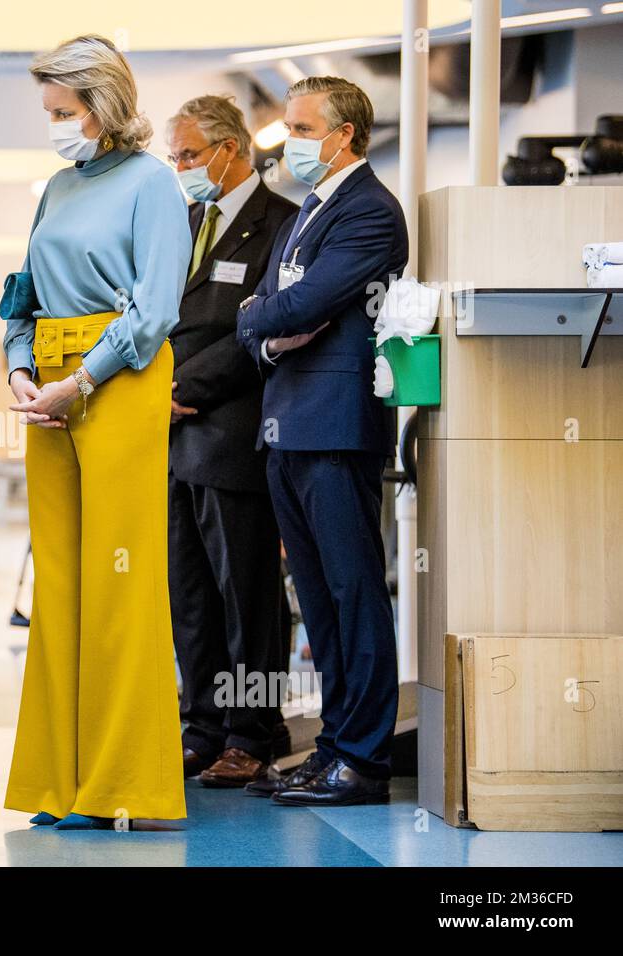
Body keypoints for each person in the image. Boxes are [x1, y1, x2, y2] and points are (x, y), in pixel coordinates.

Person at [1, 35, 191, 829]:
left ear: (104, 106)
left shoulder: (154, 185)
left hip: (116, 384)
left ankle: (119, 785)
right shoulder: (57, 186)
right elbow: (22, 290)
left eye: (63, 111)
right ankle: (58, 780)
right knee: (61, 587)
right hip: (48, 383)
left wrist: (81, 380)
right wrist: (19, 365)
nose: (54, 125)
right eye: (48, 111)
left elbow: (155, 309)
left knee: (120, 585)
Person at [236, 76, 408, 806]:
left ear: (344, 135)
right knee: (317, 599)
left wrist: (261, 317)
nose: (293, 143)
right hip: (287, 422)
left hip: (337, 425)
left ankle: (365, 760)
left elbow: (300, 302)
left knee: (352, 591)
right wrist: (266, 335)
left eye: (304, 129)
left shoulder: (370, 212)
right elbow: (264, 309)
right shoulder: (308, 211)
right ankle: (333, 744)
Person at [164, 95, 297, 787]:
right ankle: (202, 726)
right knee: (188, 595)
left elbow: (261, 328)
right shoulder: (183, 221)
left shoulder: (282, 224)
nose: (181, 167)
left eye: (189, 154)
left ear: (231, 149)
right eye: (175, 156)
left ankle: (252, 733)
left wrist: (185, 390)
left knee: (246, 596)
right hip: (169, 441)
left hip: (231, 433)